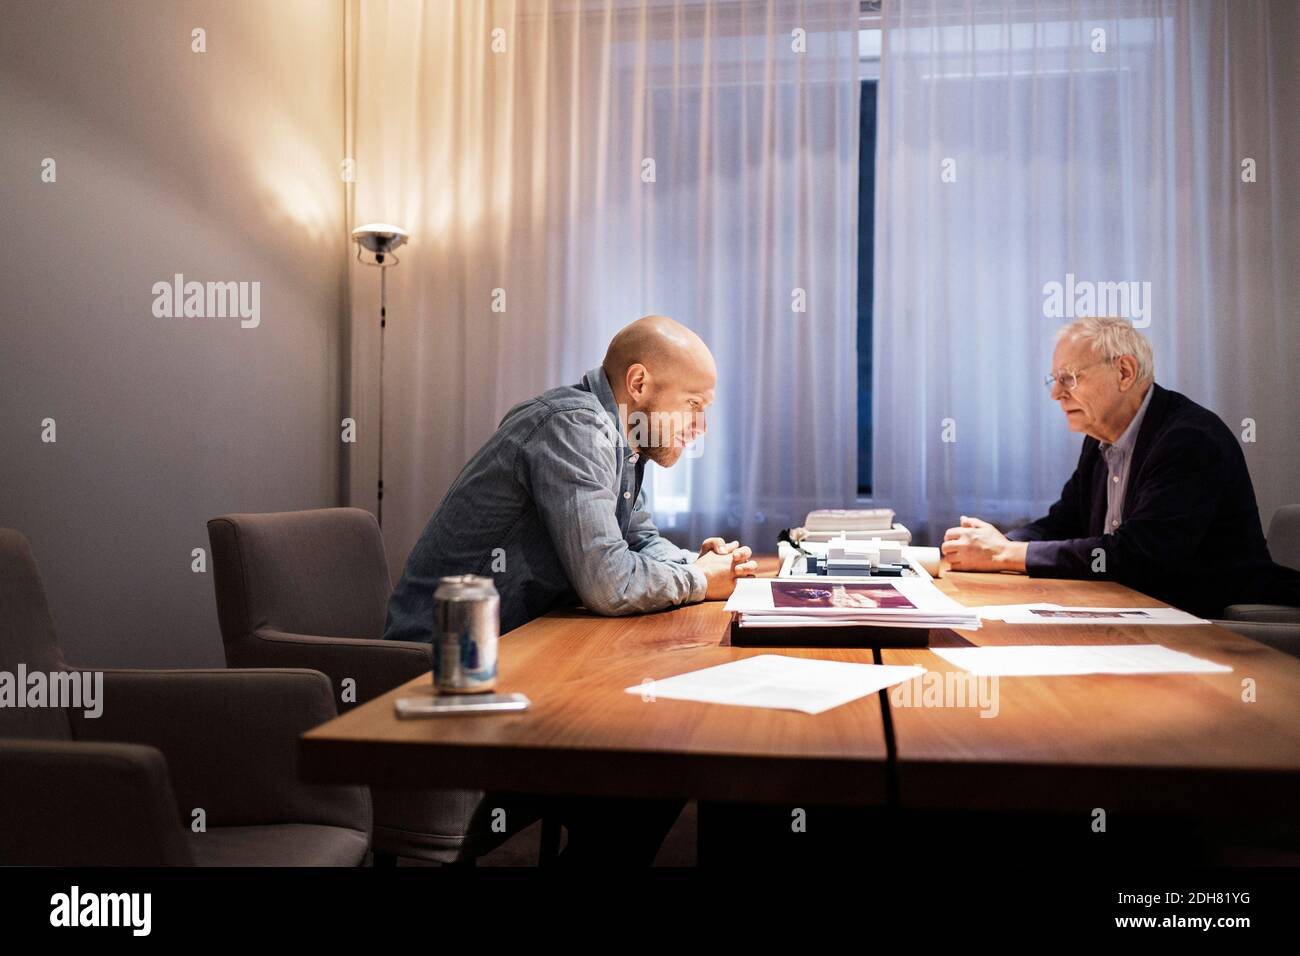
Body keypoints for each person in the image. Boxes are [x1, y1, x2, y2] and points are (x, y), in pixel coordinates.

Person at [385, 314, 757, 864]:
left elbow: (640, 539)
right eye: (695, 406)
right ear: (638, 384)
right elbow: (610, 582)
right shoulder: (574, 430)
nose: (701, 429)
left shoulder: (622, 442)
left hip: (521, 661)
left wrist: (699, 563)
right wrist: (700, 580)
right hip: (445, 681)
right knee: (661, 757)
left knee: (663, 752)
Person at [940, 316, 1300, 618]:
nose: (1056, 394)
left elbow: (1141, 558)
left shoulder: (1189, 439)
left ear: (1124, 372)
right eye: (1054, 380)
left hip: (1214, 623)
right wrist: (997, 543)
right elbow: (1063, 522)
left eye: (1069, 378)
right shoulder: (1101, 439)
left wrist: (1005, 554)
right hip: (1134, 614)